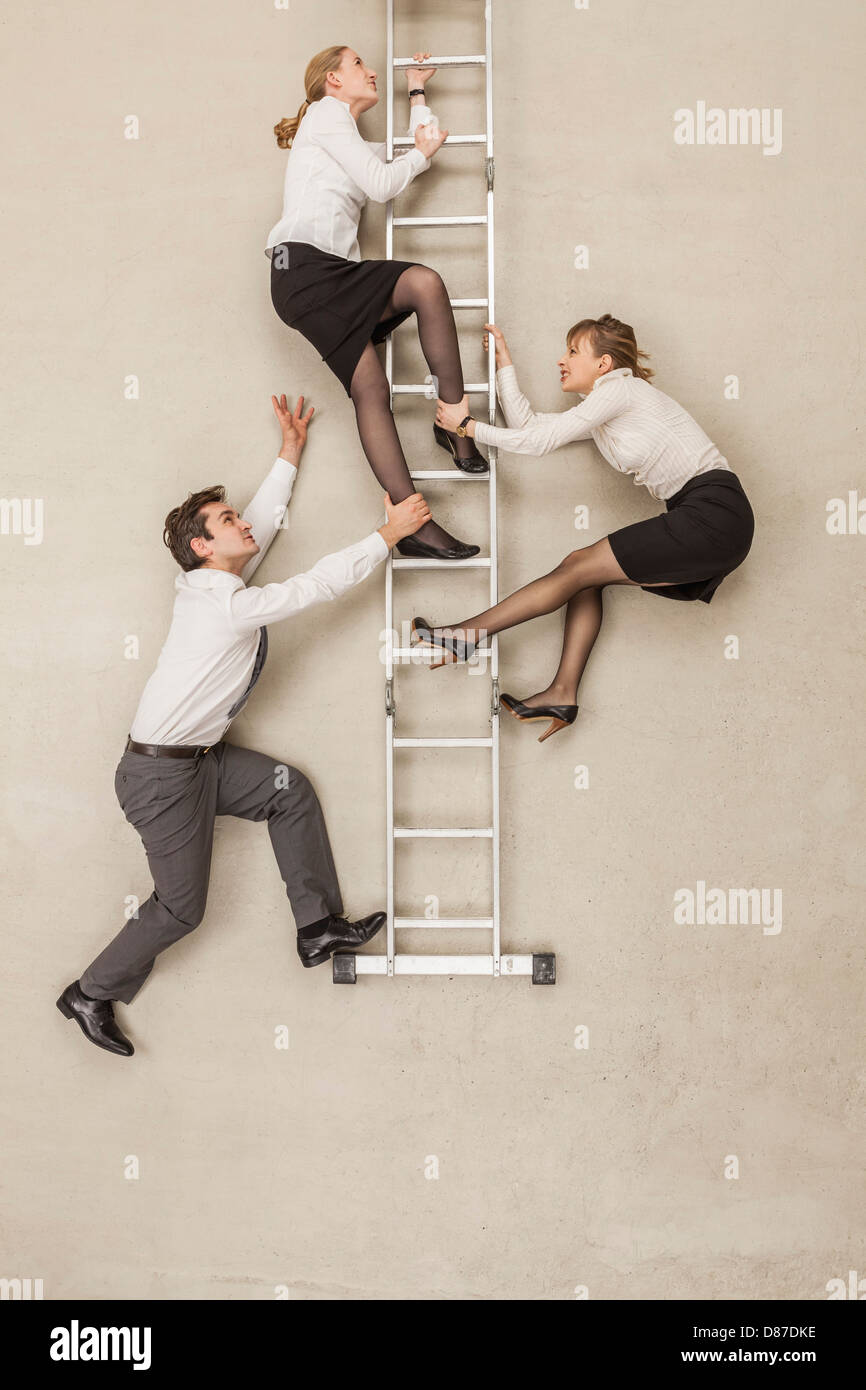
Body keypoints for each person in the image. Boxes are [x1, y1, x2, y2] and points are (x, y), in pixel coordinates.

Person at [56, 394, 432, 1055]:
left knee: (289, 788)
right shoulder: (224, 603)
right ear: (204, 546)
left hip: (199, 763)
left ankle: (316, 927)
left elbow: (260, 523)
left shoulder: (217, 584)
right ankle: (89, 992)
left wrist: (288, 452)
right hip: (160, 779)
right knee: (182, 909)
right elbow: (312, 587)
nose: (243, 525)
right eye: (227, 521)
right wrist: (387, 535)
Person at [409, 314, 755, 743]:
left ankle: (465, 635)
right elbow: (532, 429)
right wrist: (504, 364)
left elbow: (536, 444)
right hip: (708, 520)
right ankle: (561, 694)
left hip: (715, 513)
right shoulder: (603, 411)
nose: (562, 360)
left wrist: (466, 427)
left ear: (605, 363)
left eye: (573, 351)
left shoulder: (622, 392)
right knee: (585, 579)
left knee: (577, 565)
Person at [267, 44, 488, 562]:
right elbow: (387, 182)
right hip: (304, 270)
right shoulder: (326, 116)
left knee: (371, 387)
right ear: (332, 81)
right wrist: (422, 154)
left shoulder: (338, 128)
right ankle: (453, 421)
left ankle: (410, 522)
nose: (370, 71)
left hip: (315, 273)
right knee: (423, 283)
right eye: (357, 64)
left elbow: (402, 161)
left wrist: (417, 91)